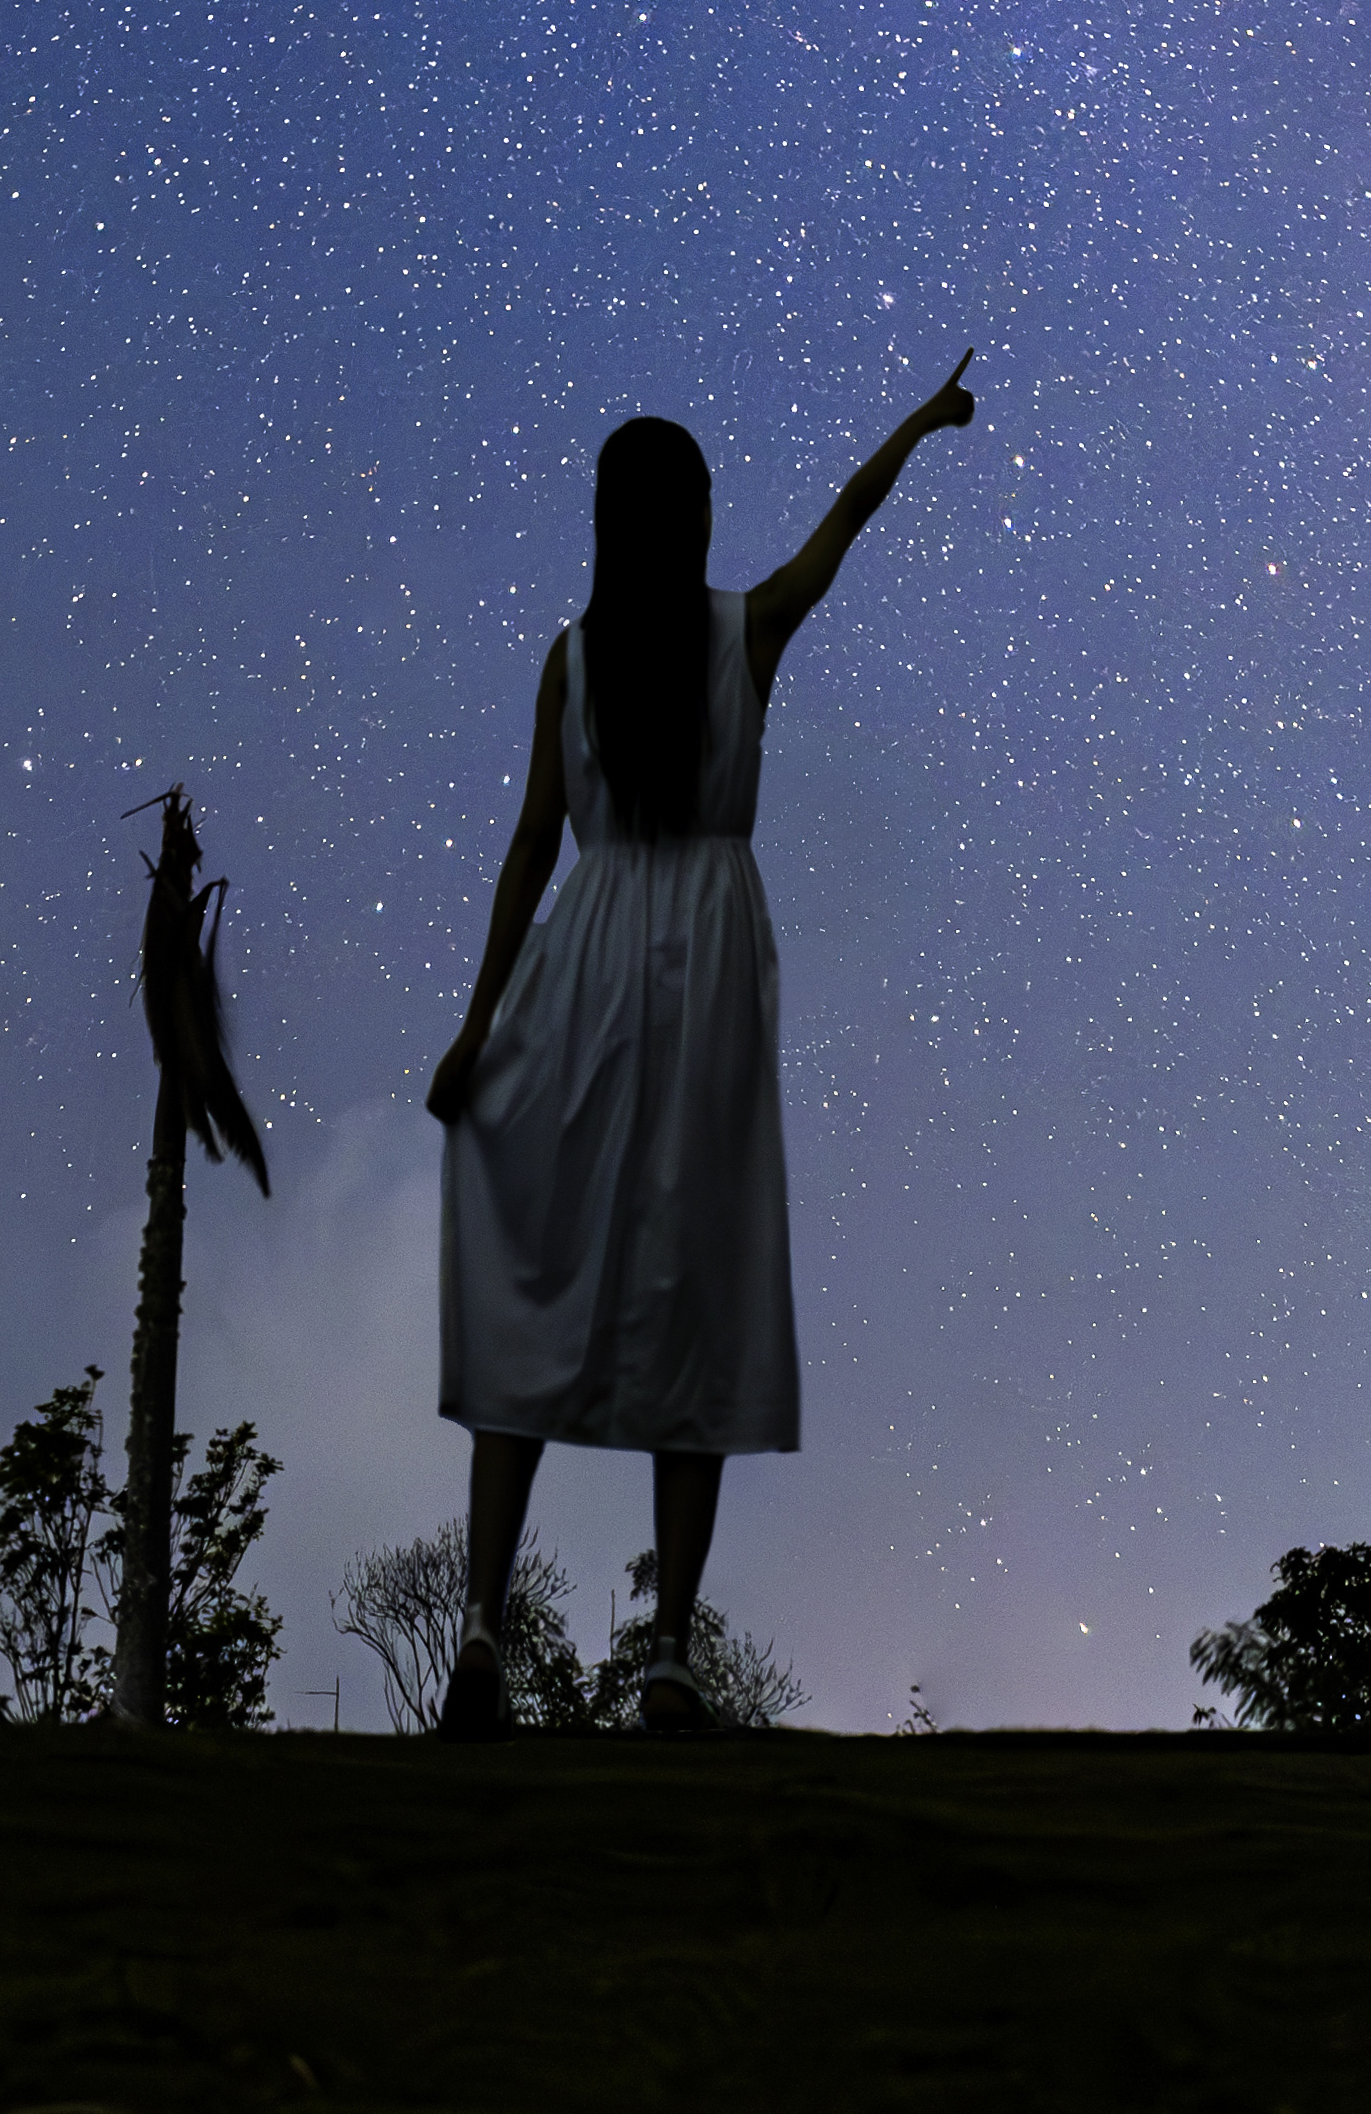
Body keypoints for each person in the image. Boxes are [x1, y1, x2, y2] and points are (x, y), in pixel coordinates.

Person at [423, 356, 979, 1737]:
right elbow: (846, 520)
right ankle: (666, 1652)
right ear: (696, 516)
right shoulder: (746, 629)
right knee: (698, 1284)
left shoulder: (571, 658)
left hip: (586, 958)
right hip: (708, 966)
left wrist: (480, 1023)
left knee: (536, 1273)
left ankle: (485, 1627)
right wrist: (917, 421)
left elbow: (531, 845)